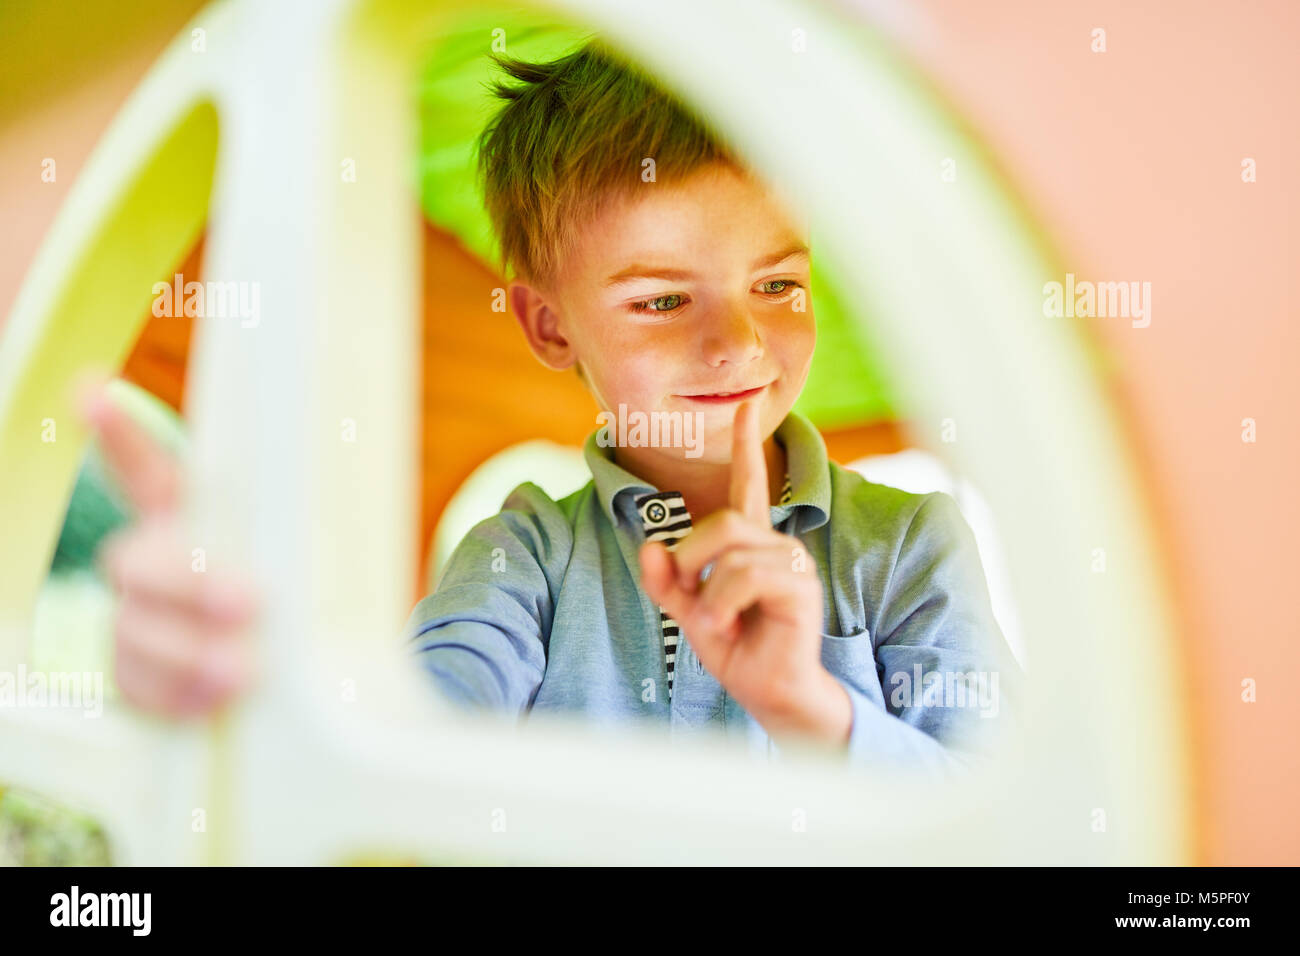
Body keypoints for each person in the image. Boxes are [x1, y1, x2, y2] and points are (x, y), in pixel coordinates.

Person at [85, 40, 1020, 774]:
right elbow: (411, 724)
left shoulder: (909, 545)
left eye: (777, 285)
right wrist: (258, 680)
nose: (737, 342)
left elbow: (1010, 828)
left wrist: (817, 711)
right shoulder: (524, 555)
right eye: (660, 300)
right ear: (548, 328)